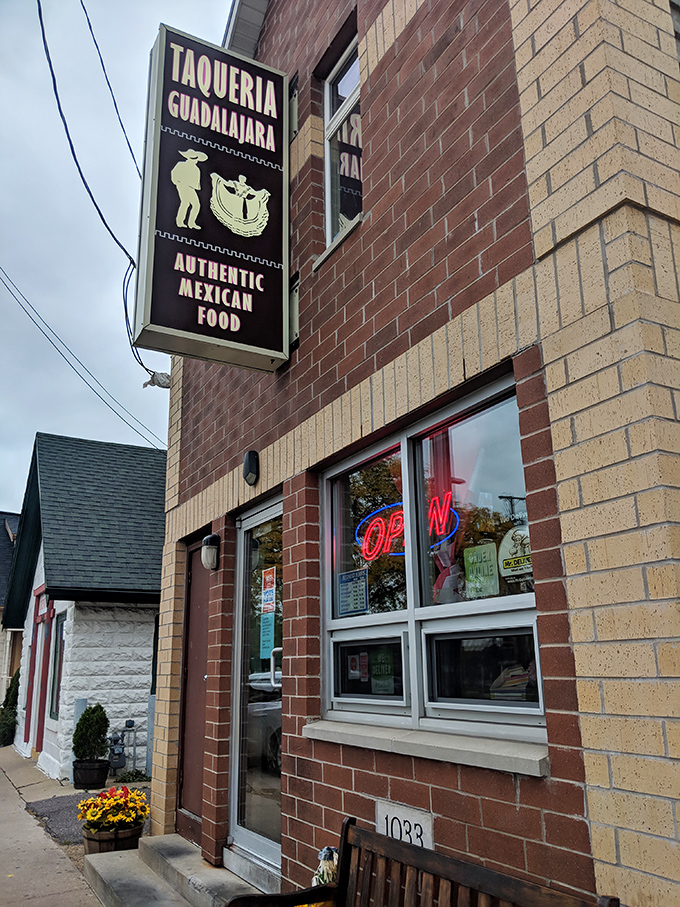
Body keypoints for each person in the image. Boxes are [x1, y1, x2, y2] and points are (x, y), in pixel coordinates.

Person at [171, 149, 208, 229]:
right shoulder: (181, 164)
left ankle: (191, 223)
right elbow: (174, 173)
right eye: (193, 159)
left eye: (196, 159)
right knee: (185, 203)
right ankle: (180, 222)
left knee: (196, 205)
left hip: (191, 188)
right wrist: (177, 182)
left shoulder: (196, 169)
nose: (195, 161)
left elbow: (197, 182)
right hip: (182, 186)